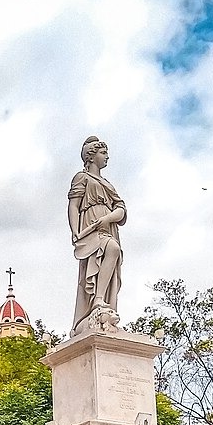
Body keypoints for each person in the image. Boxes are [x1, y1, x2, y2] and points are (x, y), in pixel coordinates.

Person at [68, 135, 127, 333]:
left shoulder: (108, 184)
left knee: (113, 251)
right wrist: (75, 231)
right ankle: (97, 300)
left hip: (107, 226)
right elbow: (74, 205)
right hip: (90, 227)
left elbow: (121, 209)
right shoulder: (82, 178)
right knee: (109, 251)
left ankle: (102, 300)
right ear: (91, 157)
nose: (107, 157)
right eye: (103, 153)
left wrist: (108, 218)